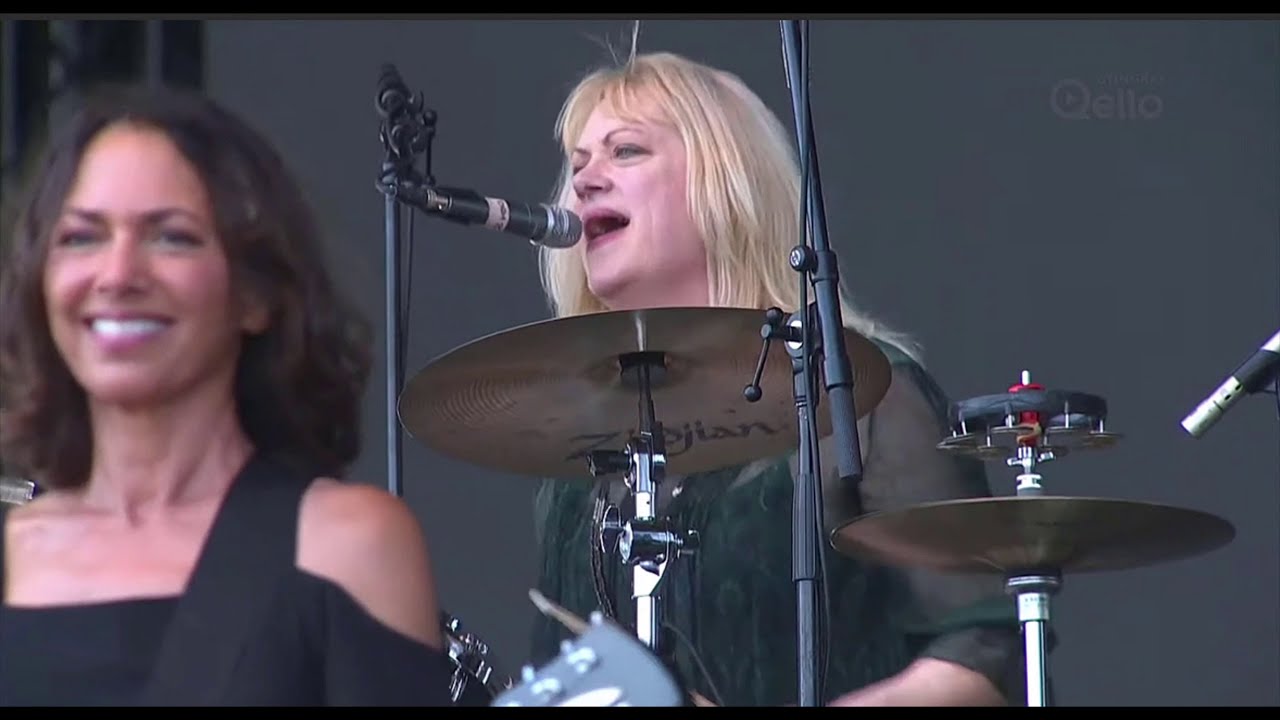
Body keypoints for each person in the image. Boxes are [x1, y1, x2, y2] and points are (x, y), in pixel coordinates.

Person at [527, 50, 1032, 706]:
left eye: (626, 151)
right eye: (577, 165)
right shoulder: (577, 450)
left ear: (725, 182)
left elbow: (982, 649)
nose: (585, 181)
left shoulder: (860, 397)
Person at [0, 83, 455, 706]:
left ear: (255, 294)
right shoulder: (12, 559)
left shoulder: (348, 545)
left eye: (171, 237)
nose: (118, 274)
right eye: (81, 237)